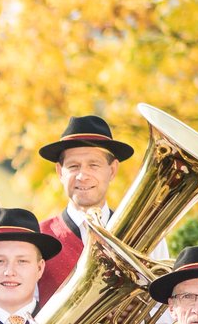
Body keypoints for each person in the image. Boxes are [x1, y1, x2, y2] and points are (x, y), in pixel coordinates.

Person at [34, 115, 137, 303]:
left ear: (112, 170)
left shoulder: (141, 235)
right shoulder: (38, 237)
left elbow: (161, 312)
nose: (83, 175)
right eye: (73, 166)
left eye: (94, 165)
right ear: (60, 172)